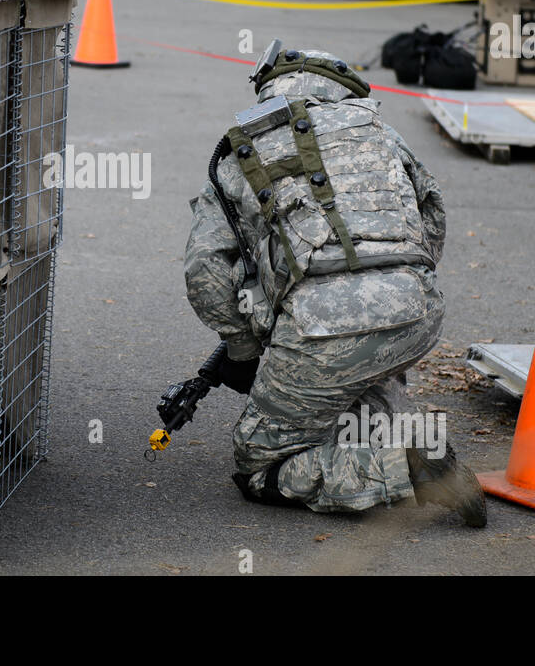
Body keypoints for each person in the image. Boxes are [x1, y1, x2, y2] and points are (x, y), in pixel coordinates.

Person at [183, 41, 487, 526]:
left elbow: (205, 268)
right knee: (358, 367)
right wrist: (394, 292)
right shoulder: (380, 135)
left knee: (261, 465)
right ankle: (389, 430)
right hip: (418, 312)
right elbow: (432, 217)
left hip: (321, 328)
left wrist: (243, 347)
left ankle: (406, 468)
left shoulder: (240, 150)